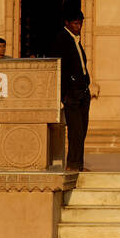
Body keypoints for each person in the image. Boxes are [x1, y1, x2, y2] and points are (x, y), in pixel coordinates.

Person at [51, 12, 91, 172]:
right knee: (75, 131)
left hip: (83, 91)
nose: (78, 26)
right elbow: (59, 67)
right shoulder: (61, 39)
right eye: (75, 23)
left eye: (80, 23)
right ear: (67, 23)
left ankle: (78, 164)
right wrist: (64, 93)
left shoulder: (76, 40)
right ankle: (73, 165)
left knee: (82, 131)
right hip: (72, 93)